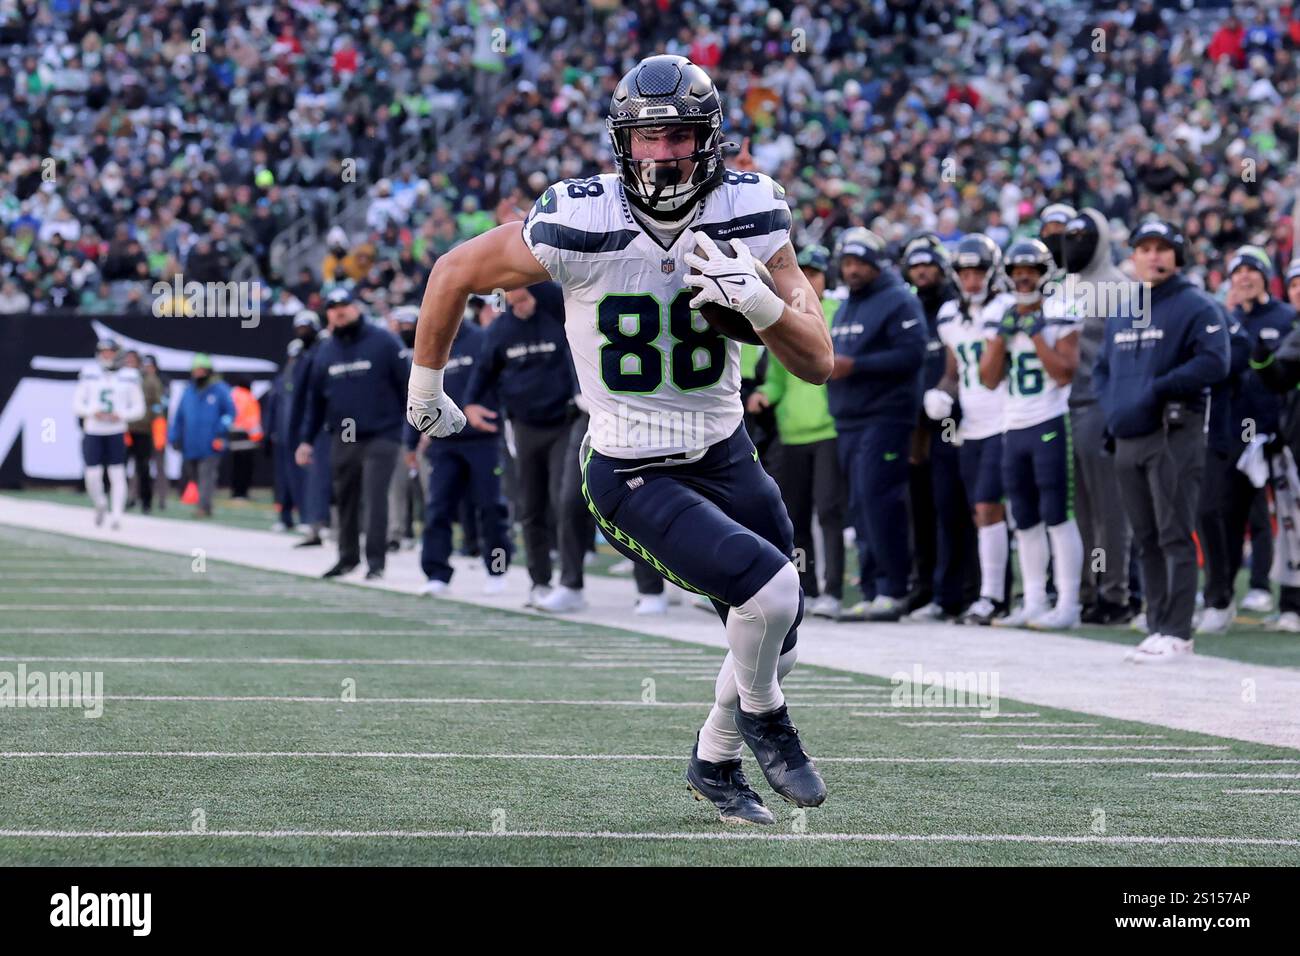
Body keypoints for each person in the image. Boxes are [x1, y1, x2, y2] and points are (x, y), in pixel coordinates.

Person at [405, 55, 832, 825]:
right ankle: (767, 721)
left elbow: (819, 359)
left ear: (710, 139)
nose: (663, 153)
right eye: (647, 137)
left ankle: (715, 759)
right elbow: (453, 270)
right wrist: (426, 391)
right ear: (621, 143)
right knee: (768, 597)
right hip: (632, 465)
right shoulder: (578, 219)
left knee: (779, 628)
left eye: (679, 135)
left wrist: (765, 309)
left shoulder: (755, 210)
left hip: (726, 451)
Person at [1094, 220, 1229, 663]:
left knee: (1174, 534)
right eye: (1145, 248)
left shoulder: (1197, 305)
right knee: (1145, 537)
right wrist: (1113, 406)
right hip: (1128, 436)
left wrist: (1156, 388)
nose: (1154, 256)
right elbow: (1102, 369)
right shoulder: (1122, 307)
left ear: (1178, 255)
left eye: (1163, 248)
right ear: (1132, 256)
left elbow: (1215, 362)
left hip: (1174, 433)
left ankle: (1178, 630)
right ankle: (1156, 624)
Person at [979, 238, 1085, 630]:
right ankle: (1035, 599)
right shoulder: (998, 312)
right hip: (1012, 425)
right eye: (1016, 272)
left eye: (1031, 271)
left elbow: (1063, 372)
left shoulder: (1062, 310)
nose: (1023, 278)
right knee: (1023, 518)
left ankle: (1069, 602)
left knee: (1057, 513)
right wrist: (1004, 337)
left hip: (1049, 421)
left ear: (1045, 273)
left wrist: (1038, 333)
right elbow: (989, 379)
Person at [826, 227, 928, 622]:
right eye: (847, 263)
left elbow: (913, 354)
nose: (852, 270)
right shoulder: (848, 305)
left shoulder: (898, 300)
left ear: (875, 264)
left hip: (886, 416)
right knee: (858, 505)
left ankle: (893, 588)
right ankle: (871, 589)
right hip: (850, 419)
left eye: (859, 263)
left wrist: (858, 367)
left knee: (879, 500)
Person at [462, 282, 582, 610]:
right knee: (530, 506)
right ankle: (539, 581)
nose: (519, 304)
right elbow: (483, 371)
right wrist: (471, 404)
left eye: (524, 297)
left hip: (564, 422)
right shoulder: (500, 329)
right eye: (512, 300)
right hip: (524, 426)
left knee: (564, 500)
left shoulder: (557, 318)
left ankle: (571, 581)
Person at [749, 243, 847, 620]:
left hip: (828, 429)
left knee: (829, 512)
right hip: (791, 431)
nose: (809, 280)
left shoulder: (837, 311)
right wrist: (764, 395)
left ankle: (835, 590)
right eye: (803, 272)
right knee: (796, 515)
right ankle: (808, 588)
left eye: (816, 273)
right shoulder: (783, 314)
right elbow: (777, 376)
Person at [927, 234, 1014, 624]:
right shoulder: (949, 315)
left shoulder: (1005, 308)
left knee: (989, 507)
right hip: (972, 426)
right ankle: (990, 594)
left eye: (978, 271)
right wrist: (942, 393)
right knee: (979, 512)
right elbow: (953, 369)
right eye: (965, 272)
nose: (972, 280)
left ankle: (994, 596)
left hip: (1007, 419)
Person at [297, 287, 408, 580]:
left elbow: (407, 385)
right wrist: (307, 441)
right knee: (344, 498)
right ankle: (347, 557)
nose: (339, 311)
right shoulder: (325, 350)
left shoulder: (384, 341)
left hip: (381, 433)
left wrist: (409, 427)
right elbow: (316, 401)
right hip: (343, 437)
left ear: (356, 307)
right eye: (332, 307)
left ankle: (376, 561)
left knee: (374, 497)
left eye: (344, 305)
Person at [1059, 209, 1136, 625]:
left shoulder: (1121, 288)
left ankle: (1116, 593)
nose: (1074, 244)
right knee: (1082, 511)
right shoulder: (1063, 287)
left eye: (1082, 237)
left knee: (1110, 509)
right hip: (1061, 409)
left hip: (1097, 406)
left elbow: (1132, 356)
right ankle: (1089, 588)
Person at [410, 302, 512, 596]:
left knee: (491, 506)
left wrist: (499, 415)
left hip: (482, 439)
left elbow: (501, 381)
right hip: (443, 442)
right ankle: (437, 573)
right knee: (437, 508)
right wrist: (411, 439)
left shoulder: (482, 339)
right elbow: (417, 394)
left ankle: (496, 568)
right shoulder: (428, 346)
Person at [902, 233, 977, 621]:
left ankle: (957, 592)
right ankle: (927, 586)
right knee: (922, 507)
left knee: (952, 506)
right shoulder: (908, 306)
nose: (922, 272)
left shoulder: (954, 308)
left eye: (928, 265)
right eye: (916, 266)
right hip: (917, 424)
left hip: (953, 419)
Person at [1223, 246, 1297, 615]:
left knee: (1282, 514)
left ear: (1265, 277)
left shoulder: (1286, 317)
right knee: (1238, 511)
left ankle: (1270, 589)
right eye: (1238, 272)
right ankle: (1227, 591)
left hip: (1279, 433)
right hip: (1238, 431)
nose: (1244, 277)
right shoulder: (1229, 318)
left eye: (1252, 270)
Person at [72, 337, 144, 529]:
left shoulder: (129, 375)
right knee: (92, 475)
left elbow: (139, 408)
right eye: (103, 351)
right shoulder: (89, 373)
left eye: (110, 351)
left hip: (116, 430)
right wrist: (91, 412)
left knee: (117, 473)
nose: (107, 355)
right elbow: (77, 404)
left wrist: (121, 415)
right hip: (94, 430)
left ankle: (117, 516)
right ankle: (101, 503)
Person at [167, 353, 234, 519]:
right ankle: (205, 504)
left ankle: (204, 506)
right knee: (194, 475)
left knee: (207, 475)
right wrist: (174, 436)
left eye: (202, 370)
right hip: (191, 443)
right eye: (196, 370)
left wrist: (221, 429)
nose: (199, 373)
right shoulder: (188, 391)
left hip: (211, 442)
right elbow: (179, 416)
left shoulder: (220, 389)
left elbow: (230, 412)